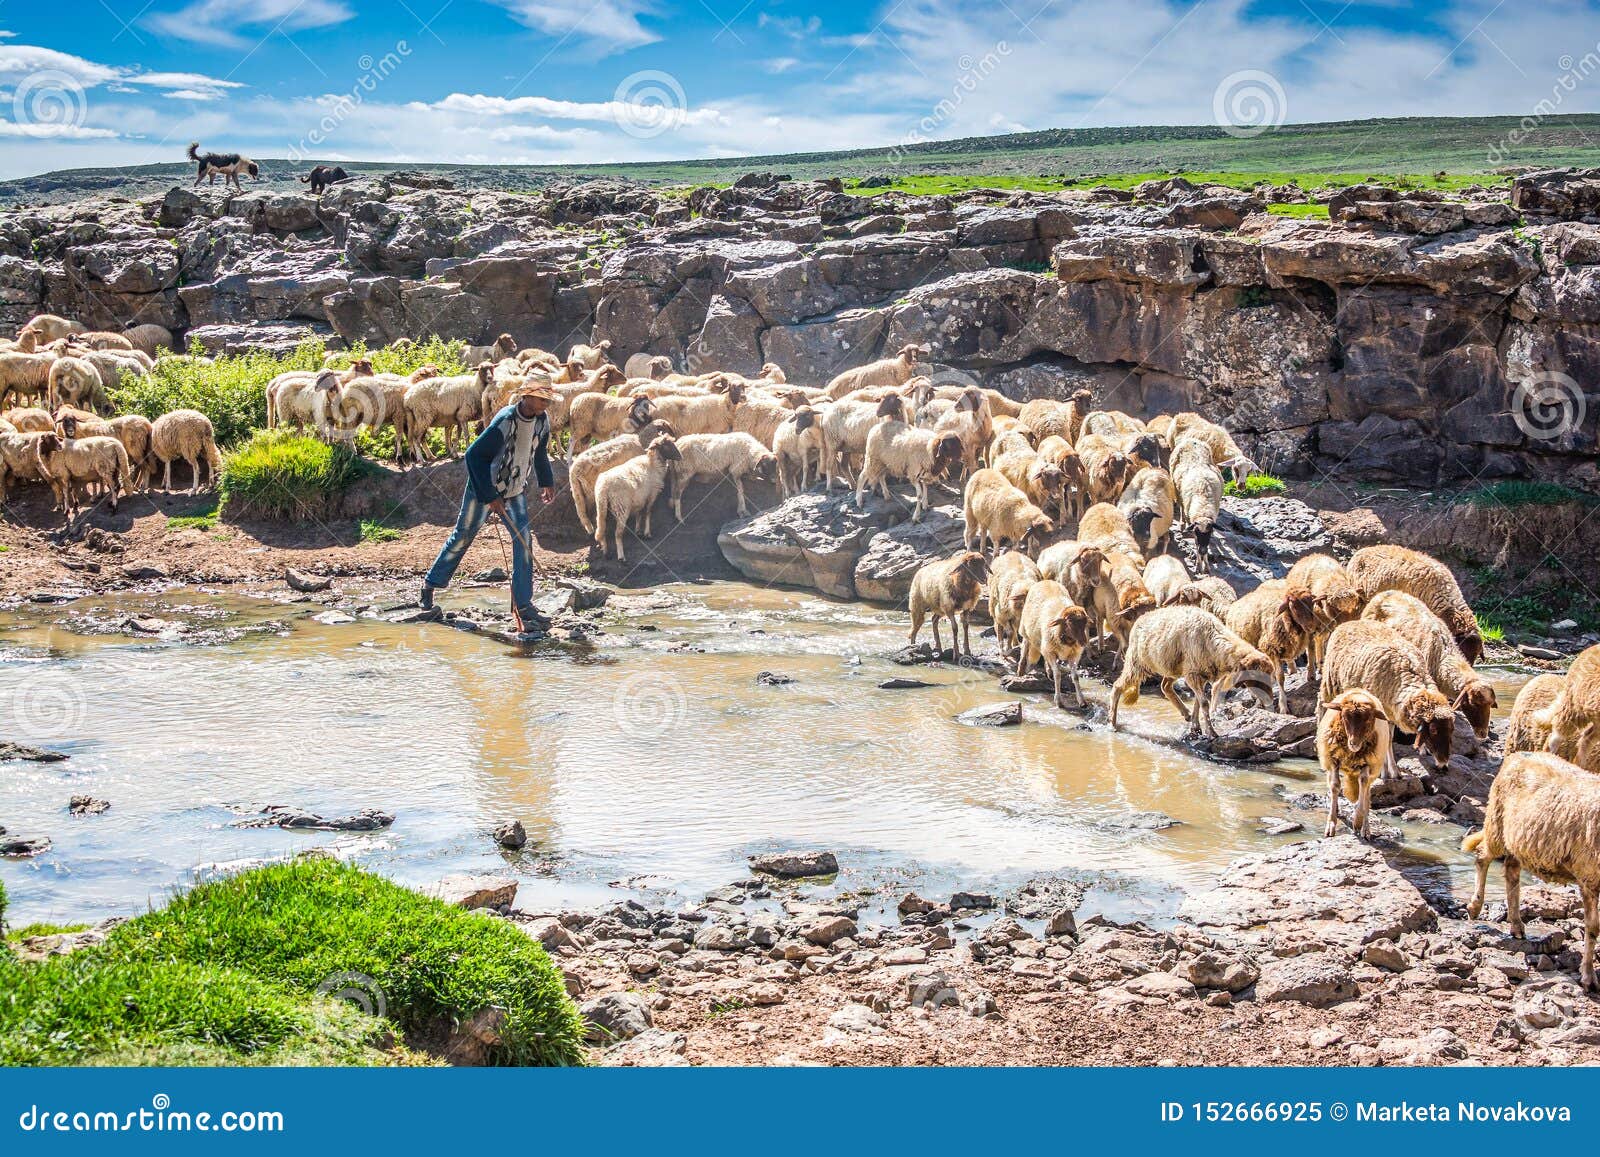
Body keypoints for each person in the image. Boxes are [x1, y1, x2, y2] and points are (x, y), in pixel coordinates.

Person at [420, 379, 557, 632]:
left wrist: (546, 481)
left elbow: (539, 453)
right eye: (541, 398)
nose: (545, 403)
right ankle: (430, 584)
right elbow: (474, 455)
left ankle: (523, 605)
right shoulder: (505, 421)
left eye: (547, 399)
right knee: (463, 535)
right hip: (483, 488)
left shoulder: (541, 420)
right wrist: (489, 495)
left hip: (514, 490)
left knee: (523, 541)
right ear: (526, 397)